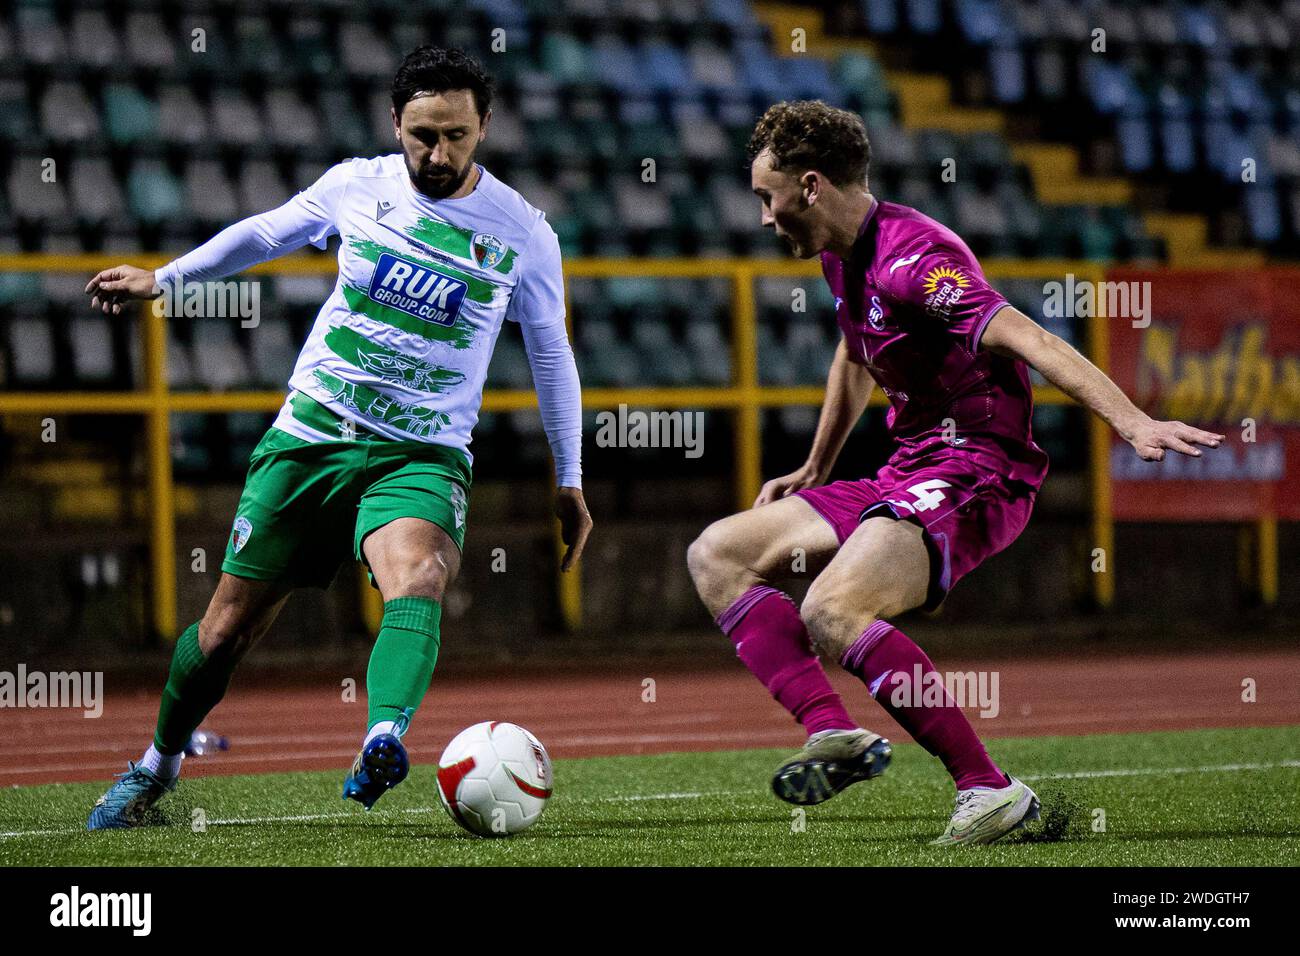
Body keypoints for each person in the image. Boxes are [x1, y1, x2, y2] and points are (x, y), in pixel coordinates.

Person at [687, 101, 1223, 845]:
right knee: (717, 553)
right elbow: (855, 354)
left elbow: (1027, 334)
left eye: (764, 196)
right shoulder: (840, 254)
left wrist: (1130, 421)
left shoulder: (917, 261)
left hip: (979, 468)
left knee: (830, 611)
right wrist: (815, 465)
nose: (763, 216)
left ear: (809, 186)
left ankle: (990, 793)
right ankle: (832, 732)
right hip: (907, 468)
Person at [84, 46, 591, 829]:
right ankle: (157, 767)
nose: (437, 152)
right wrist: (167, 278)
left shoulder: (523, 232)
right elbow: (266, 233)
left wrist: (571, 475)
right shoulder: (358, 184)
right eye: (421, 133)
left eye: (455, 134)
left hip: (420, 454)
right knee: (225, 631)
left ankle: (384, 734)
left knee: (418, 576)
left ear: (485, 126)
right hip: (314, 433)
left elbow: (551, 351)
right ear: (395, 123)